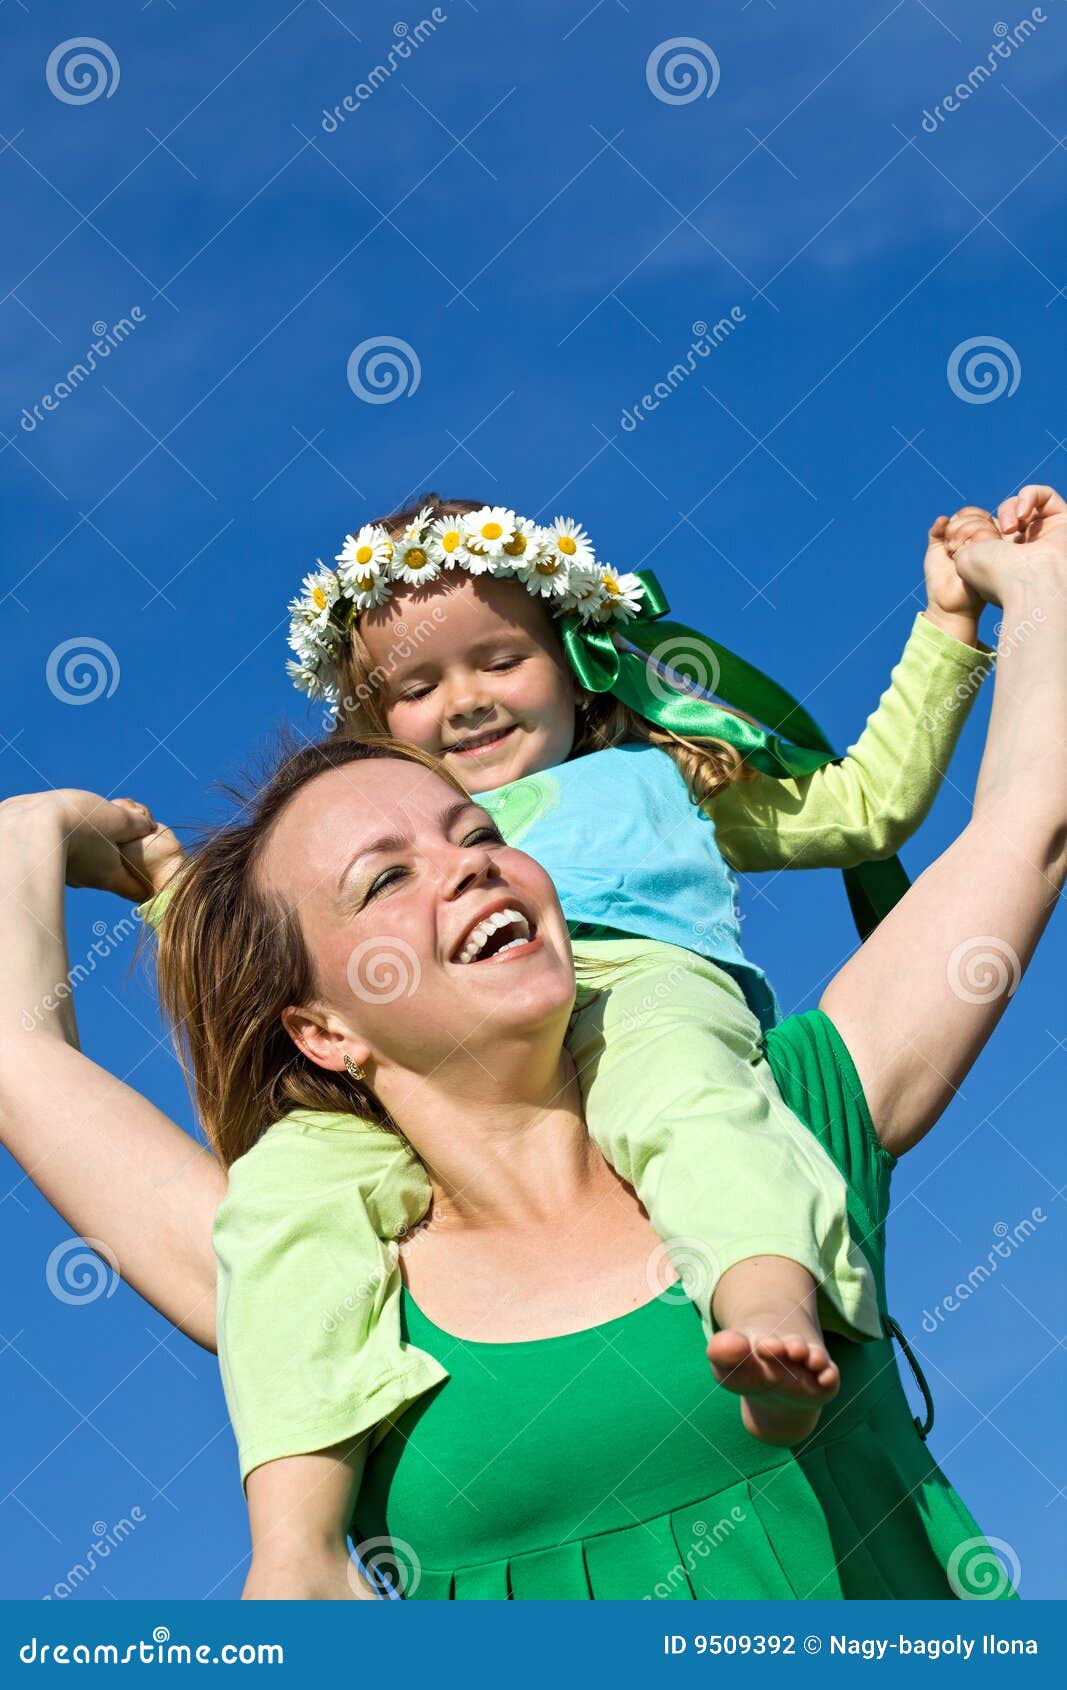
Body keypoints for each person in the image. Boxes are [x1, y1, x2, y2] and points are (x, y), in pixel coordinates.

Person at [0, 487, 1061, 1600]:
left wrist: (1025, 596)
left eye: (474, 836)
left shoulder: (782, 1115)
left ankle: (758, 1289)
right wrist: (35, 840)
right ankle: (295, 1565)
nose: (469, 858)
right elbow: (23, 1063)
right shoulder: (320, 1274)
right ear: (320, 1029)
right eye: (386, 877)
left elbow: (1027, 816)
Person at [134, 491, 993, 1452]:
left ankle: (765, 1296)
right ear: (374, 724)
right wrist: (172, 893)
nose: (464, 700)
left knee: (693, 1108)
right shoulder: (366, 845)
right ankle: (296, 1530)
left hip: (634, 997)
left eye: (500, 660)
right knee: (285, 1190)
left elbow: (865, 807)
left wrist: (949, 621)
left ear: (582, 668)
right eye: (416, 688)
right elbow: (281, 946)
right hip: (432, 1071)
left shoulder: (661, 780)